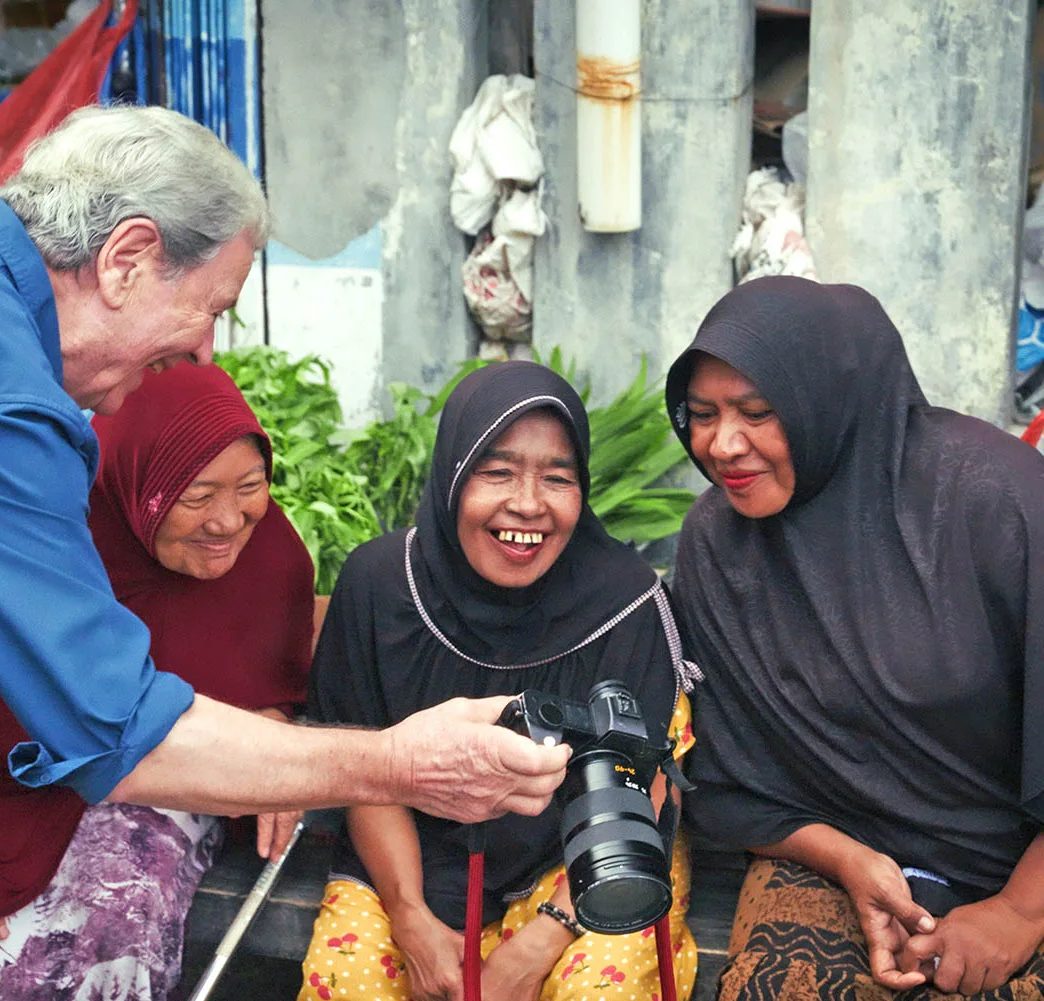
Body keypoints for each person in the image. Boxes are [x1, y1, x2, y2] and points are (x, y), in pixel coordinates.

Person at [0, 105, 568, 834]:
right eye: (211, 307)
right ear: (126, 259)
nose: (206, 352)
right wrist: (405, 765)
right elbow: (120, 731)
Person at [0, 362, 314, 999]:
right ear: (135, 479)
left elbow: (264, 687)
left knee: (105, 918)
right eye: (197, 495)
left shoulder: (270, 558)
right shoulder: (48, 551)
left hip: (159, 786)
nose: (229, 521)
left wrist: (273, 738)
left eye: (251, 486)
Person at [666, 275, 1044, 999]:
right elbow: (735, 781)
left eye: (757, 411)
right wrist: (848, 861)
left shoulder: (998, 503)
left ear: (828, 403)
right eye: (703, 414)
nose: (723, 444)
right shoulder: (719, 541)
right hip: (838, 855)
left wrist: (1018, 912)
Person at [298, 361, 701, 1001]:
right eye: (498, 471)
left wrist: (541, 943)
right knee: (348, 983)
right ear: (455, 473)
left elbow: (644, 781)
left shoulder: (625, 603)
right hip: (406, 860)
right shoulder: (380, 585)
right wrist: (409, 918)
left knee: (601, 988)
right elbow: (363, 767)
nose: (528, 505)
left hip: (583, 861)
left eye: (557, 478)